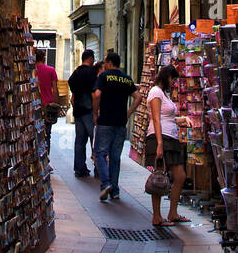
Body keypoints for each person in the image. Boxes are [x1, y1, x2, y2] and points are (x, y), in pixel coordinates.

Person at [92, 51, 141, 203]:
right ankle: (115, 190)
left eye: (105, 62)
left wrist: (95, 112)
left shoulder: (104, 76)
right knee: (115, 157)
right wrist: (128, 113)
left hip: (106, 121)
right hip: (120, 122)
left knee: (99, 153)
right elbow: (138, 97)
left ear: (109, 62)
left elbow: (97, 94)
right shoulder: (126, 78)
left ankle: (106, 183)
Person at [145, 64, 189, 226]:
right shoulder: (155, 92)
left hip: (170, 138)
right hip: (161, 138)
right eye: (173, 78)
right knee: (159, 177)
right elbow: (156, 118)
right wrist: (159, 144)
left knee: (180, 176)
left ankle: (172, 213)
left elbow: (167, 118)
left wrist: (182, 119)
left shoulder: (165, 94)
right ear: (166, 77)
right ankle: (157, 216)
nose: (174, 82)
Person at [68, 48, 97, 177]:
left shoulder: (77, 71)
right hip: (88, 109)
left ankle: (79, 167)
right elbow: (94, 92)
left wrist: (76, 94)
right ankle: (98, 167)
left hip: (78, 110)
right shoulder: (91, 72)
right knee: (95, 139)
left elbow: (70, 82)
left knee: (80, 140)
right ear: (90, 58)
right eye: (93, 58)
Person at [35, 48, 61, 155]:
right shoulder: (51, 70)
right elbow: (55, 90)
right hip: (48, 106)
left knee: (35, 133)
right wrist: (57, 105)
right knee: (47, 134)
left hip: (35, 105)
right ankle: (46, 159)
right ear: (44, 58)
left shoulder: (32, 70)